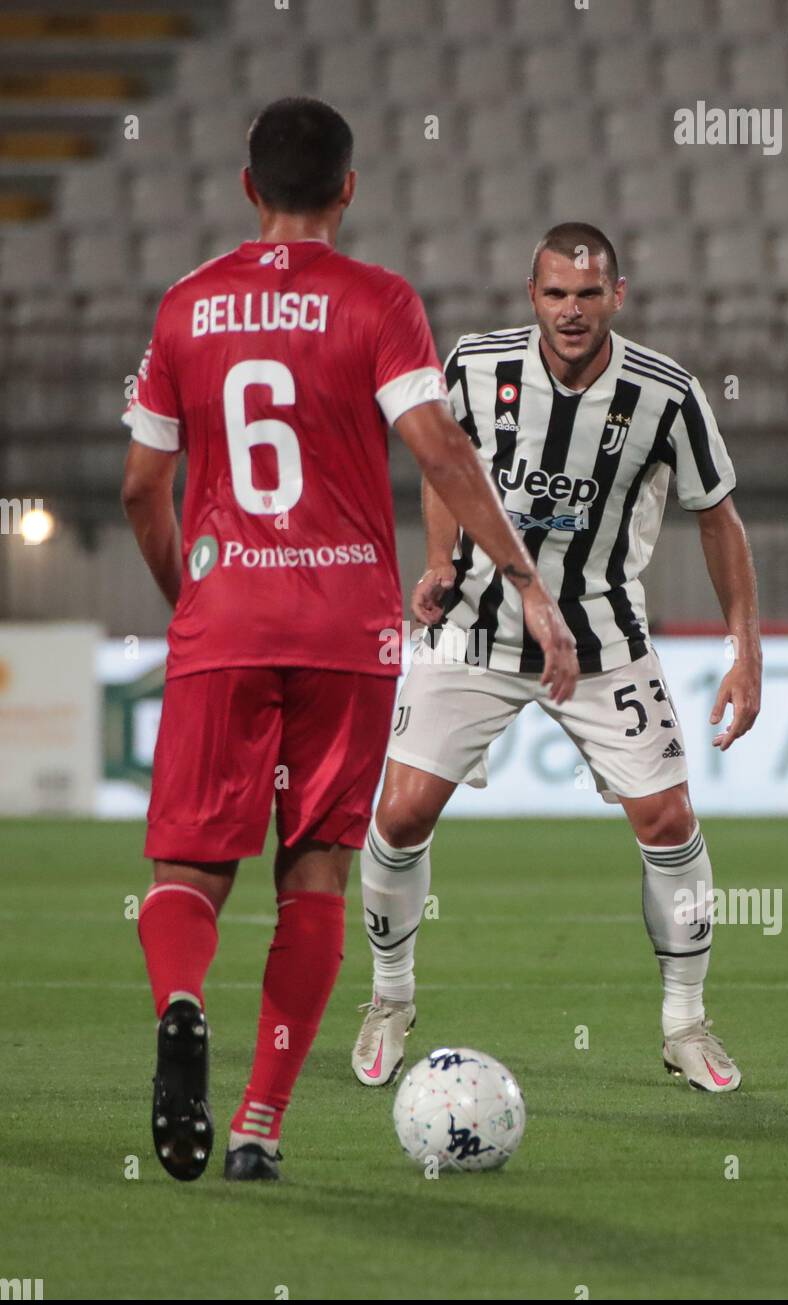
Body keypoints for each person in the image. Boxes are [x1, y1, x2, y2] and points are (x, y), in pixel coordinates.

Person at [121, 99, 577, 1183]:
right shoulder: (378, 302)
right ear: (349, 189)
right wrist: (523, 580)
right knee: (315, 866)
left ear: (248, 188)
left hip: (224, 617)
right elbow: (439, 449)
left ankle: (183, 1001)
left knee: (188, 861)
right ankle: (258, 1126)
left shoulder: (185, 307)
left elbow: (144, 484)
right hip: (343, 625)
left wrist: (187, 594)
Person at [352, 222, 762, 1095]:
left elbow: (717, 513)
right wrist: (433, 561)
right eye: (553, 294)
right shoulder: (473, 365)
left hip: (604, 638)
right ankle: (389, 998)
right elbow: (441, 463)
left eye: (587, 294)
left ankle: (684, 1023)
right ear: (529, 295)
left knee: (669, 820)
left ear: (618, 295)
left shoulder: (666, 394)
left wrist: (743, 646)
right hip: (473, 627)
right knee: (398, 816)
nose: (570, 312)